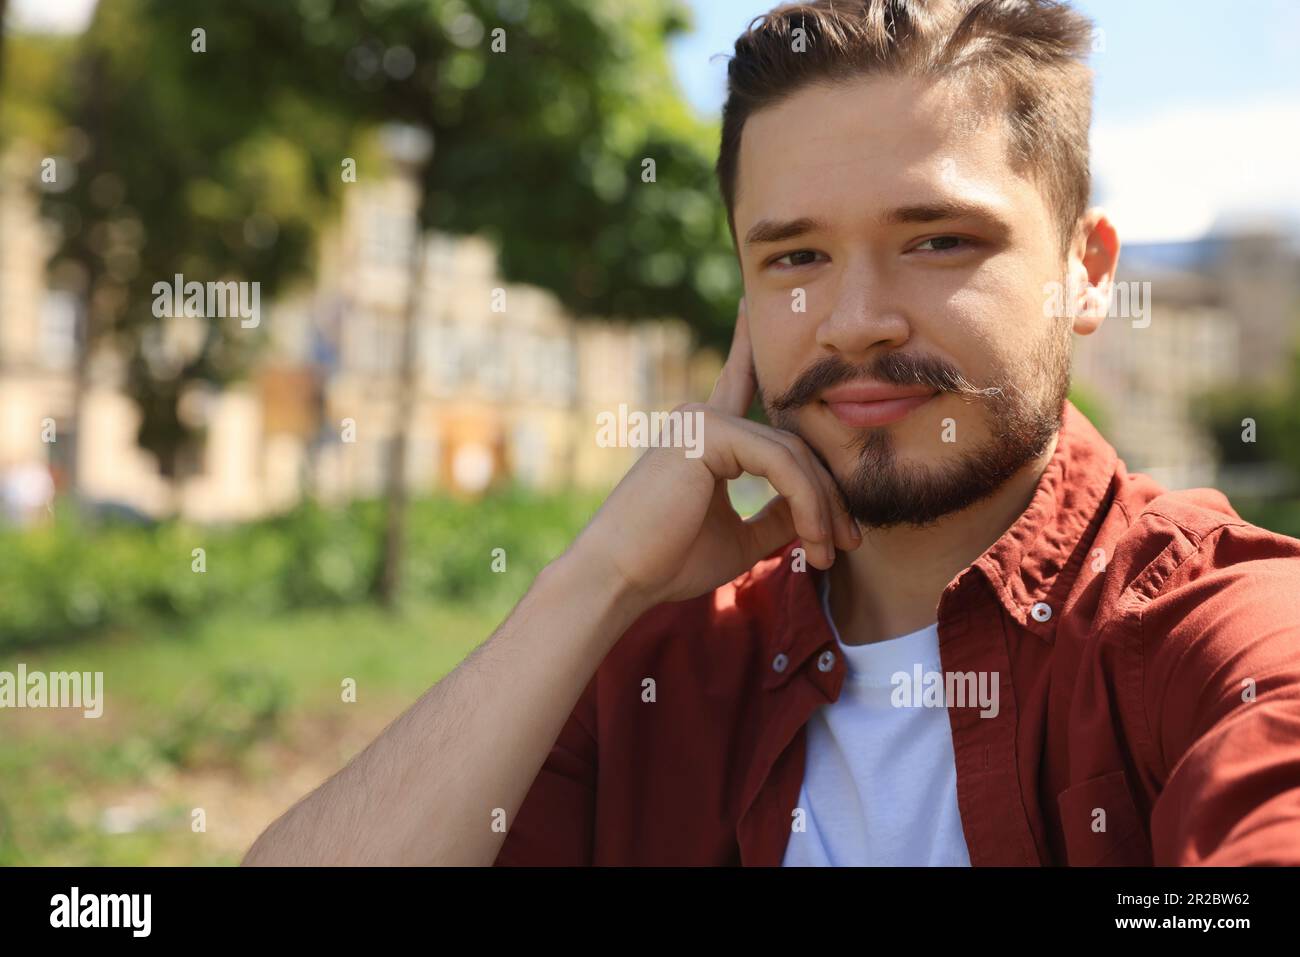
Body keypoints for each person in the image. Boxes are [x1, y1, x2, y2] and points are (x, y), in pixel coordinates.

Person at [243, 0, 1300, 866]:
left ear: (1087, 271)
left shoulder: (1215, 632)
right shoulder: (652, 668)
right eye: (795, 259)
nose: (854, 319)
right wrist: (594, 581)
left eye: (936, 239)